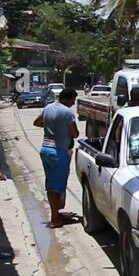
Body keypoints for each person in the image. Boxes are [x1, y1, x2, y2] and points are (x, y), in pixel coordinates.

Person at [34, 88, 80, 228]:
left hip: (45, 150)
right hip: (58, 152)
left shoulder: (48, 107)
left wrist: (49, 126)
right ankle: (55, 219)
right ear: (68, 98)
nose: (73, 103)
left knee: (51, 185)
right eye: (73, 100)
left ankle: (57, 214)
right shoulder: (67, 113)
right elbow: (75, 134)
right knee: (56, 187)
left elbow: (37, 122)